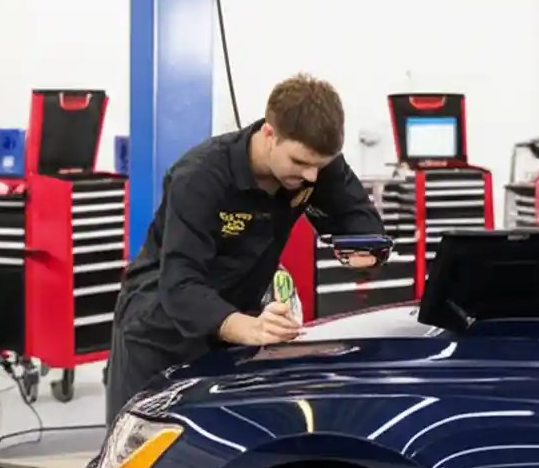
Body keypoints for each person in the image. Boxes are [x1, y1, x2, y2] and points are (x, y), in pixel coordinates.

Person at [104, 73, 386, 421]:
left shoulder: (312, 165)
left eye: (320, 166)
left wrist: (365, 251)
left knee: (219, 441)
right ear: (269, 134)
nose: (312, 177)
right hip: (161, 331)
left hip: (236, 329)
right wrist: (249, 328)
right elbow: (180, 283)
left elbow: (360, 220)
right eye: (300, 163)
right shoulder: (199, 177)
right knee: (142, 443)